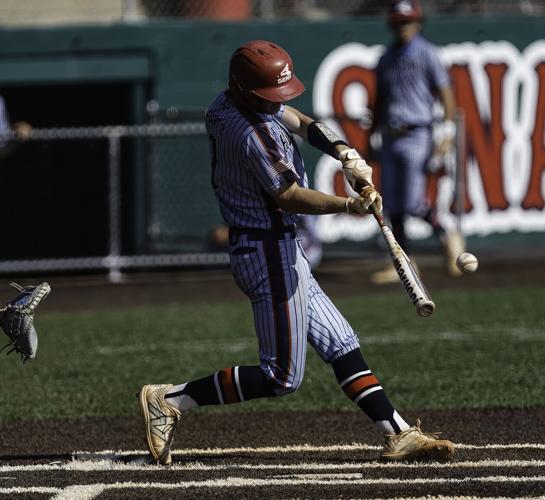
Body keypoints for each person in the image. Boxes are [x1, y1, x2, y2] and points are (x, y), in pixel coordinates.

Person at [136, 39, 454, 465]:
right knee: (281, 376)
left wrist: (344, 152)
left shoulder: (233, 102)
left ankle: (396, 432)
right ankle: (171, 399)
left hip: (281, 246)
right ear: (247, 92)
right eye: (270, 95)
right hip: (266, 252)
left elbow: (301, 122)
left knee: (341, 343)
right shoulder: (250, 134)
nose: (278, 103)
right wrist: (350, 204)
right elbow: (288, 196)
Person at [369, 0, 464, 285]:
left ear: (418, 23)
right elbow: (380, 101)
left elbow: (446, 93)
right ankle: (404, 263)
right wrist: (370, 135)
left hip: (417, 132)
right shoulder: (386, 57)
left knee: (412, 202)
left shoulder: (427, 53)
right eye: (399, 22)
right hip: (390, 133)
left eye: (408, 22)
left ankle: (448, 233)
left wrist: (446, 131)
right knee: (393, 206)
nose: (404, 27)